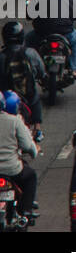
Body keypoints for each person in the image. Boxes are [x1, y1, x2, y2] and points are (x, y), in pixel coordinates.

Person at [27, 0, 76, 79]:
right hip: (66, 33)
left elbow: (29, 16)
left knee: (27, 40)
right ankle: (75, 69)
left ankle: (29, 69)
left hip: (41, 34)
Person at [1, 22, 46, 142]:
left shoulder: (1, 56)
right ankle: (37, 129)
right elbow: (41, 72)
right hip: (28, 97)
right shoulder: (30, 53)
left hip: (6, 98)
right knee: (35, 96)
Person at [0, 90, 38, 225]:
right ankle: (25, 211)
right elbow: (28, 145)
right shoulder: (14, 121)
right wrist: (34, 152)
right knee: (31, 176)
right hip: (12, 170)